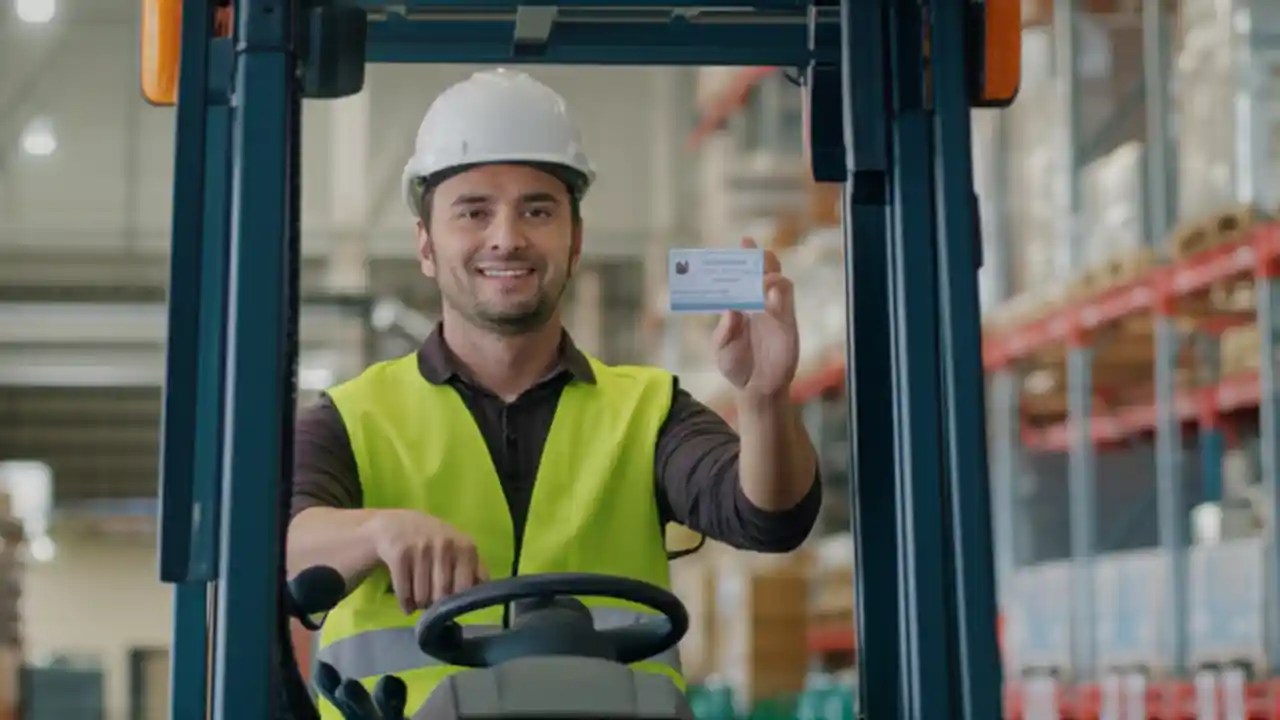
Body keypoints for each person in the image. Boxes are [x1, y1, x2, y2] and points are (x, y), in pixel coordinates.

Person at [287, 68, 821, 715]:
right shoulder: (353, 418)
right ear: (426, 244)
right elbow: (276, 542)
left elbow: (768, 516)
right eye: (473, 211)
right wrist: (378, 532)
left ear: (575, 242)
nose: (506, 237)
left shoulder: (647, 412)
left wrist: (765, 397)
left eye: (536, 209)